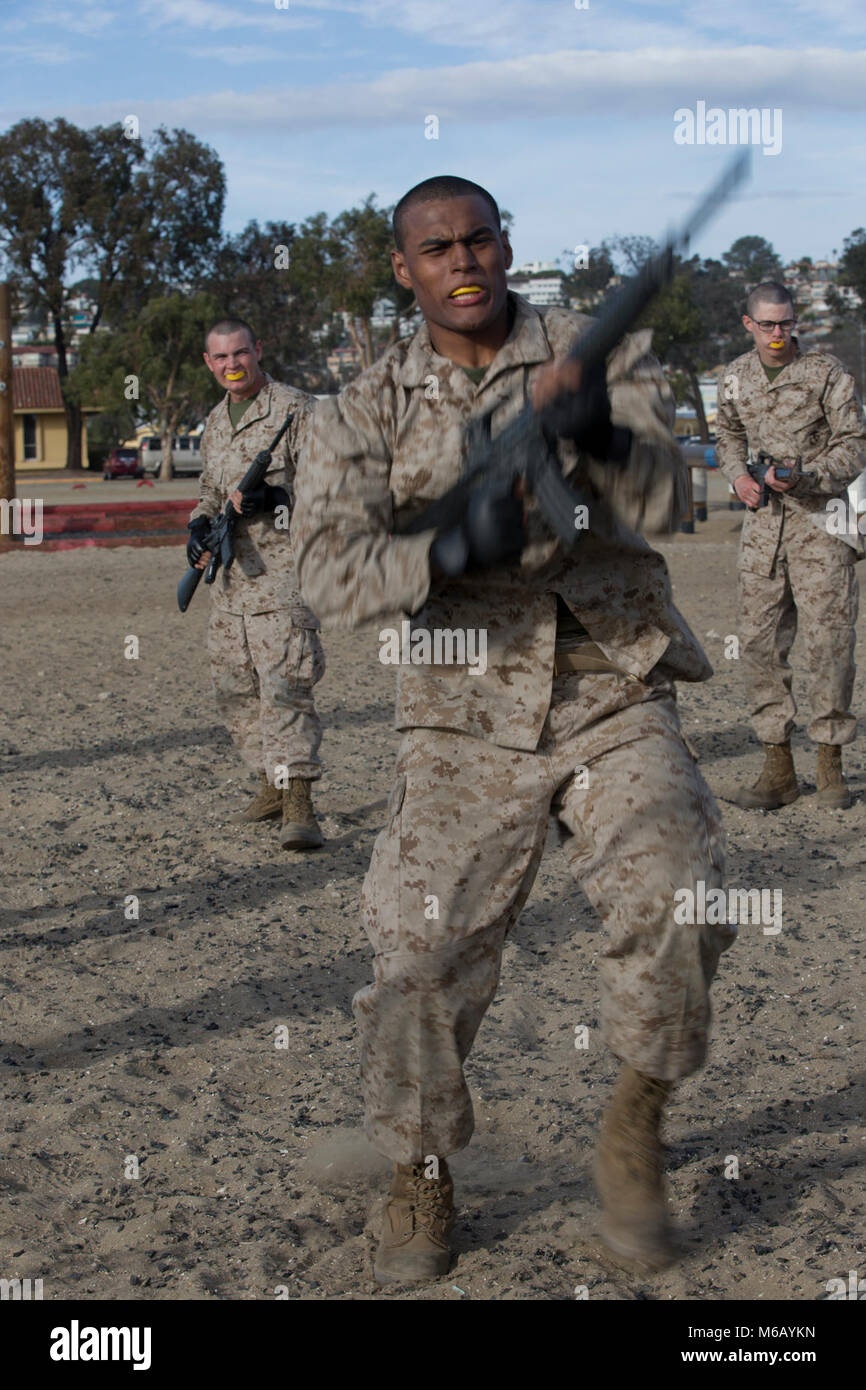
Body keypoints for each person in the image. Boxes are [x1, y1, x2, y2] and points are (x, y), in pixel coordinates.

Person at [291, 176, 734, 1281]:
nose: (462, 260)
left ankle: (634, 1122)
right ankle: (420, 1170)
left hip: (606, 682)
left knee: (681, 891)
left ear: (505, 244)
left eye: (478, 239)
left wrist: (602, 439)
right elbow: (330, 574)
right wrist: (442, 549)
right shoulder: (363, 406)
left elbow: (678, 502)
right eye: (435, 248)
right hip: (460, 704)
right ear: (404, 269)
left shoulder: (588, 357)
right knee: (417, 955)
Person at [716, 282, 866, 810]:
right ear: (748, 324)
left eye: (786, 323)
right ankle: (777, 768)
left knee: (829, 646)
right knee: (759, 646)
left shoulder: (828, 374)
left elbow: (855, 445)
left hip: (821, 528)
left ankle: (830, 766)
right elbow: (727, 436)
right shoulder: (733, 378)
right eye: (768, 325)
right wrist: (738, 477)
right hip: (763, 533)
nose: (779, 334)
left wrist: (806, 476)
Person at [188, 316, 325, 850]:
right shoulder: (215, 421)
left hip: (283, 580)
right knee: (235, 688)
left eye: (240, 353)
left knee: (286, 688)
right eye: (220, 357)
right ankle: (270, 783)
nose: (232, 365)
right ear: (209, 362)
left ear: (258, 349)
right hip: (230, 584)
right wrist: (199, 524)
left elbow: (330, 490)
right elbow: (207, 487)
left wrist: (278, 500)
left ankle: (299, 804)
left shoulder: (297, 410)